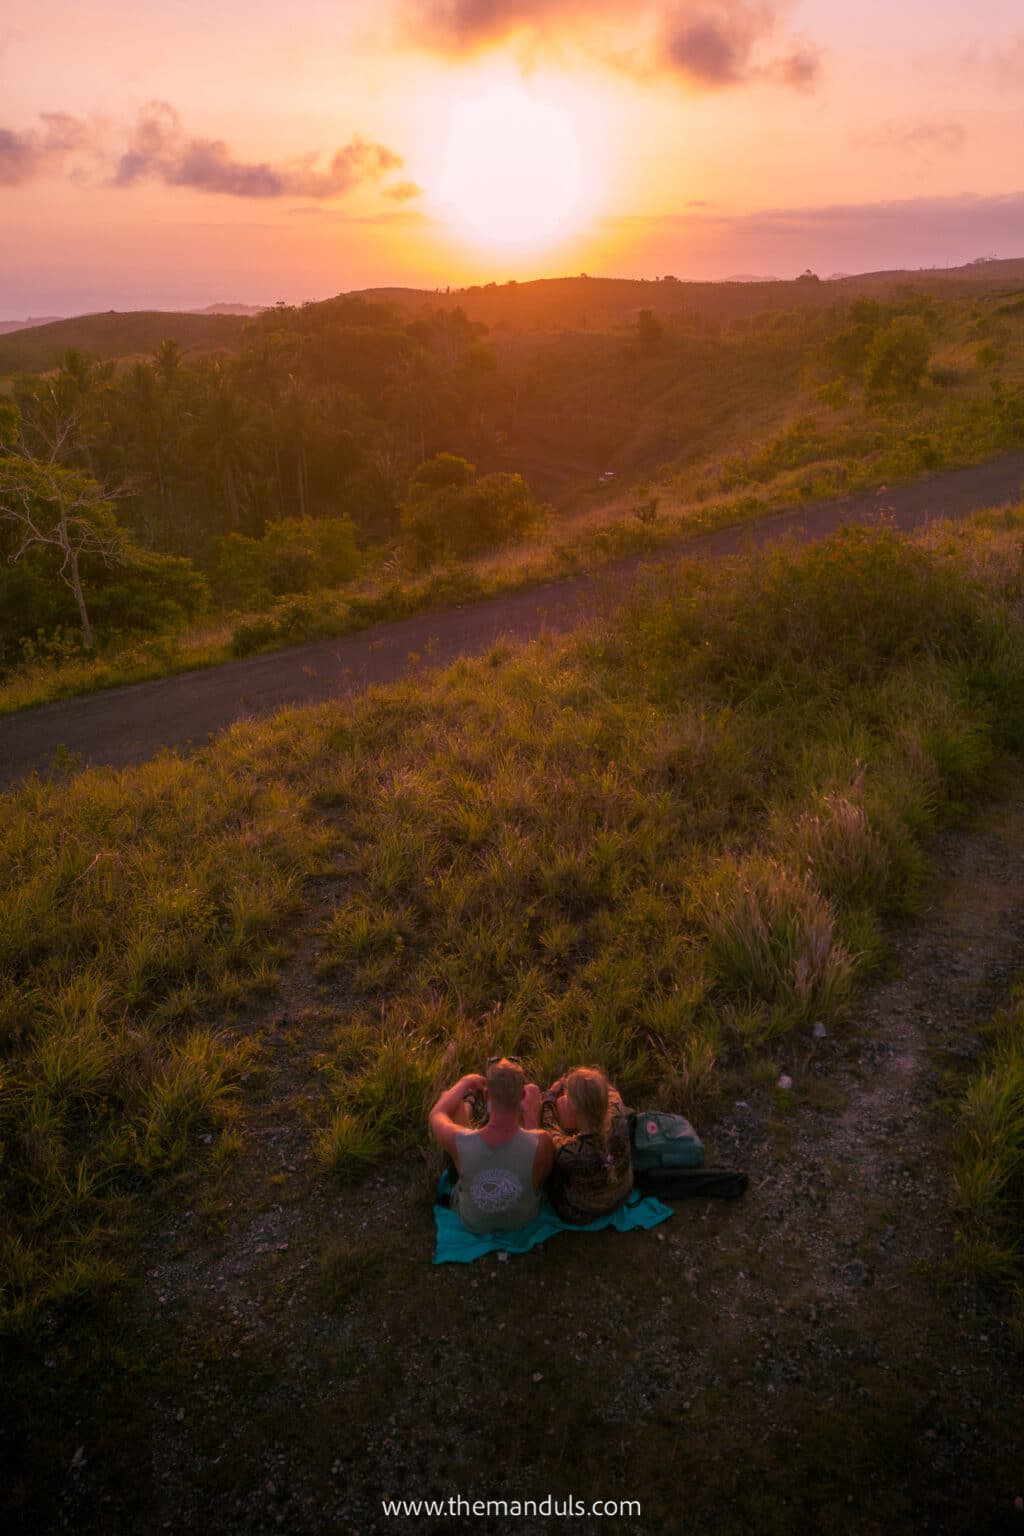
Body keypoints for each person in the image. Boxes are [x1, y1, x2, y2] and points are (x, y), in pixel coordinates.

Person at [428, 1057, 554, 1235]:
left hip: (474, 1222)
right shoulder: (542, 1141)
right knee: (534, 1094)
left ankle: (469, 1104)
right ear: (522, 1096)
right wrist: (528, 1115)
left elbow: (437, 1114)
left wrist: (466, 1082)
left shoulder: (460, 1140)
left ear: (487, 1096)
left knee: (447, 1098)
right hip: (523, 1219)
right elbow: (541, 1175)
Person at [539, 1066, 633, 1224]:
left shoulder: (569, 1152)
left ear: (574, 1107)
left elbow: (550, 1126)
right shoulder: (619, 1116)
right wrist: (579, 1084)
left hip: (580, 1211)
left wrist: (550, 1095)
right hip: (623, 1194)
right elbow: (608, 1090)